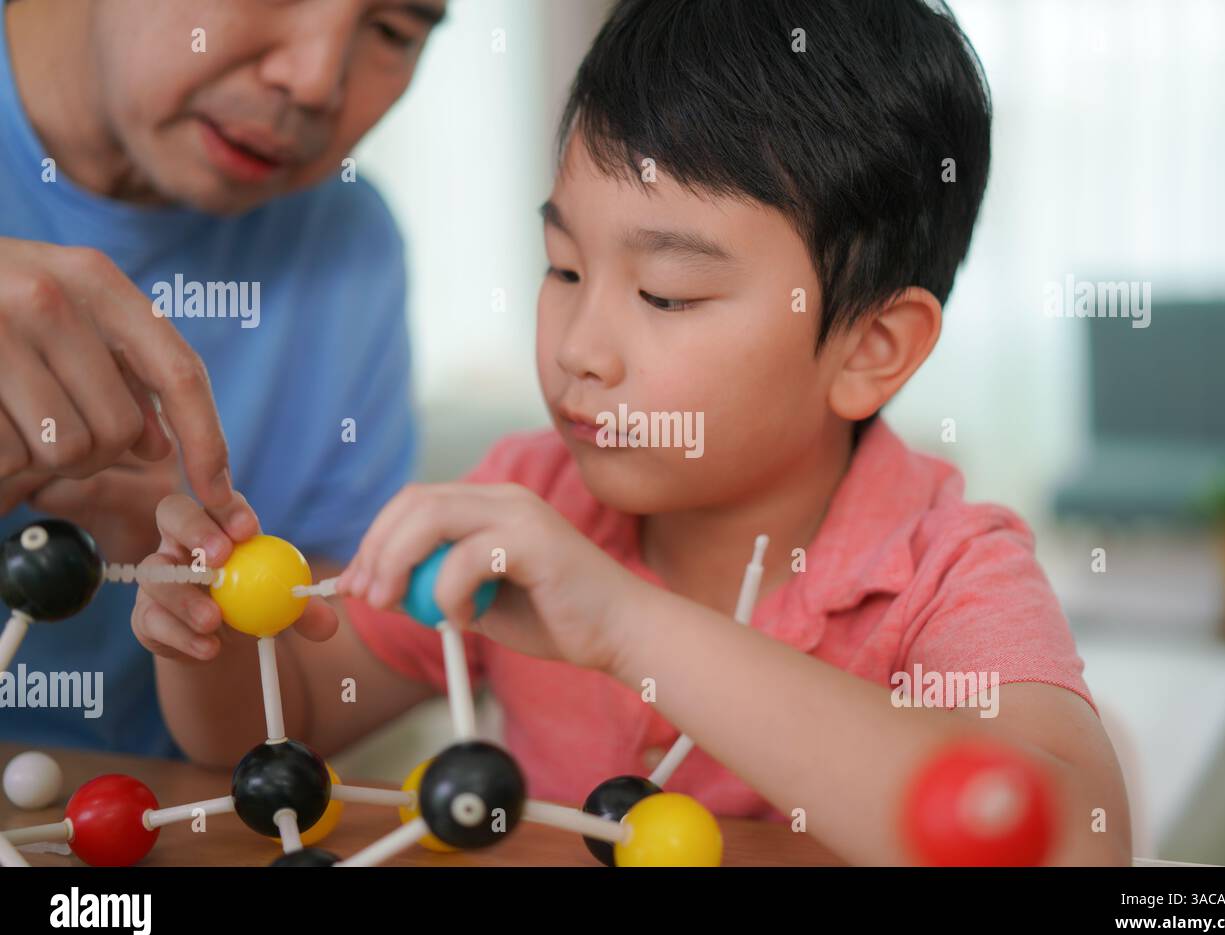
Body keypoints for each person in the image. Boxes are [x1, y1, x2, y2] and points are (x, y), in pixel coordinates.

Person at [132, 0, 1132, 865]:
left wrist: (625, 624)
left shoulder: (944, 567)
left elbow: (1077, 843)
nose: (581, 348)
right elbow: (282, 728)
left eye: (666, 293)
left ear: (870, 346)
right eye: (562, 268)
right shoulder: (527, 497)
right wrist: (213, 646)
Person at [0, 0, 446, 755]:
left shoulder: (348, 253)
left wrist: (200, 574)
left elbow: (319, 647)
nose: (312, 81)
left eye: (394, 31)